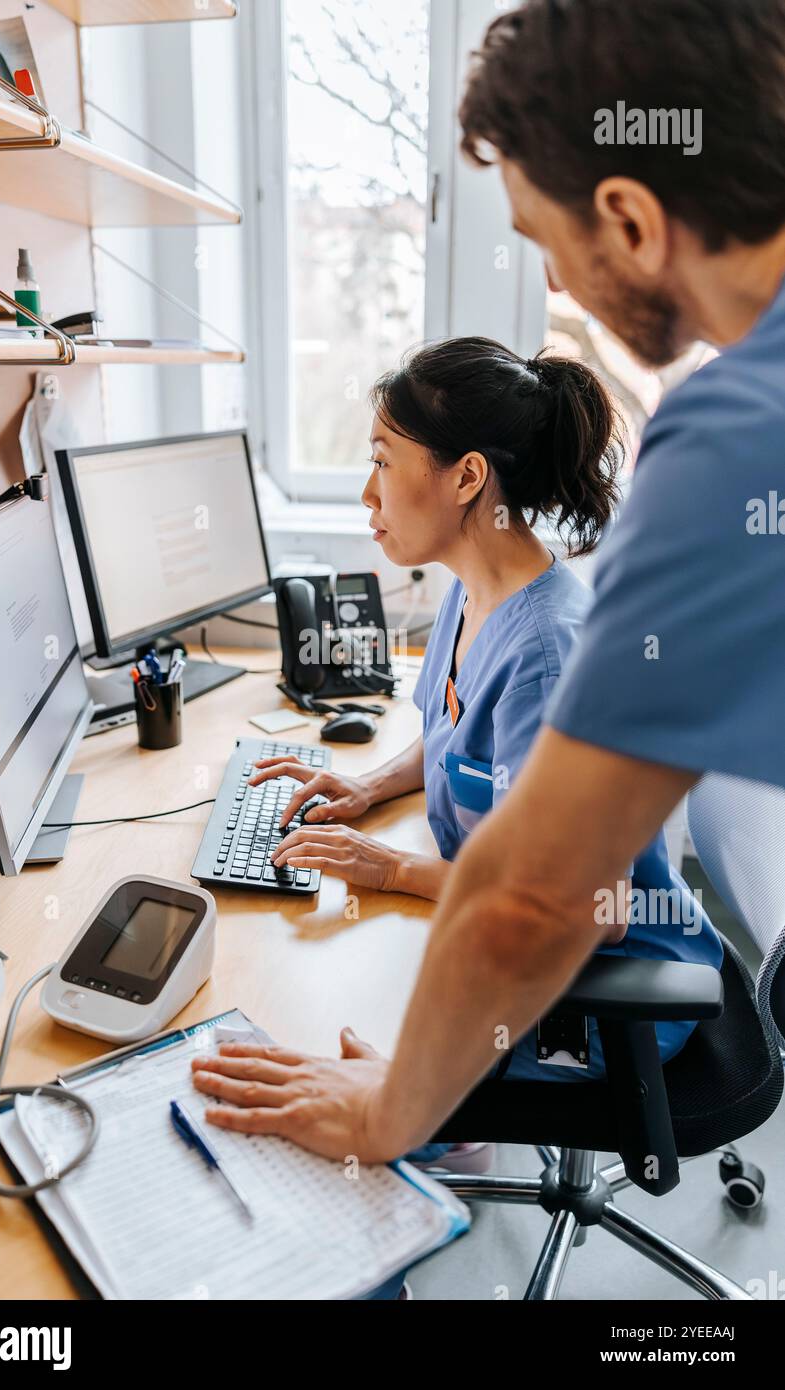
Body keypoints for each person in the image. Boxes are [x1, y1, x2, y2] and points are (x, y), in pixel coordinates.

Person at [188, 0, 785, 1171]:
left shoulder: (734, 431)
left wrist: (394, 1110)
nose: (555, 278)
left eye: (542, 238)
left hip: (633, 988)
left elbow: (538, 894)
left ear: (625, 212)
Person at [246, 336, 718, 1105]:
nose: (368, 494)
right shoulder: (474, 592)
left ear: (466, 477)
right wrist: (367, 787)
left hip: (595, 1000)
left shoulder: (547, 656)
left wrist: (392, 869)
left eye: (381, 459)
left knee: (304, 1033)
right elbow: (456, 739)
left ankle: (449, 1139)